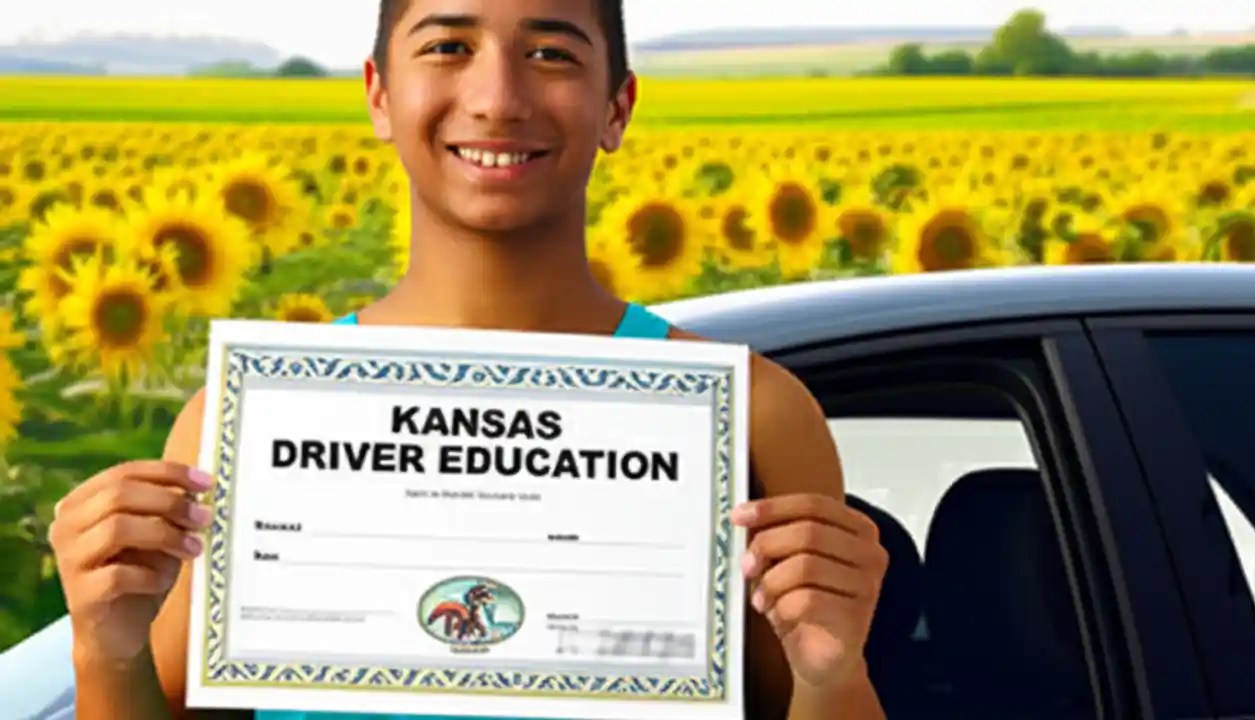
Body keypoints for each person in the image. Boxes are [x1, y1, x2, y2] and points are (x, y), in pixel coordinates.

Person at [46, 1, 890, 719]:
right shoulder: (245, 420)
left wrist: (832, 673)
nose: (497, 99)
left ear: (617, 108)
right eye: (449, 46)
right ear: (379, 95)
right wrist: (105, 649)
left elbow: (812, 689)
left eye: (551, 54)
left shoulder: (754, 416)